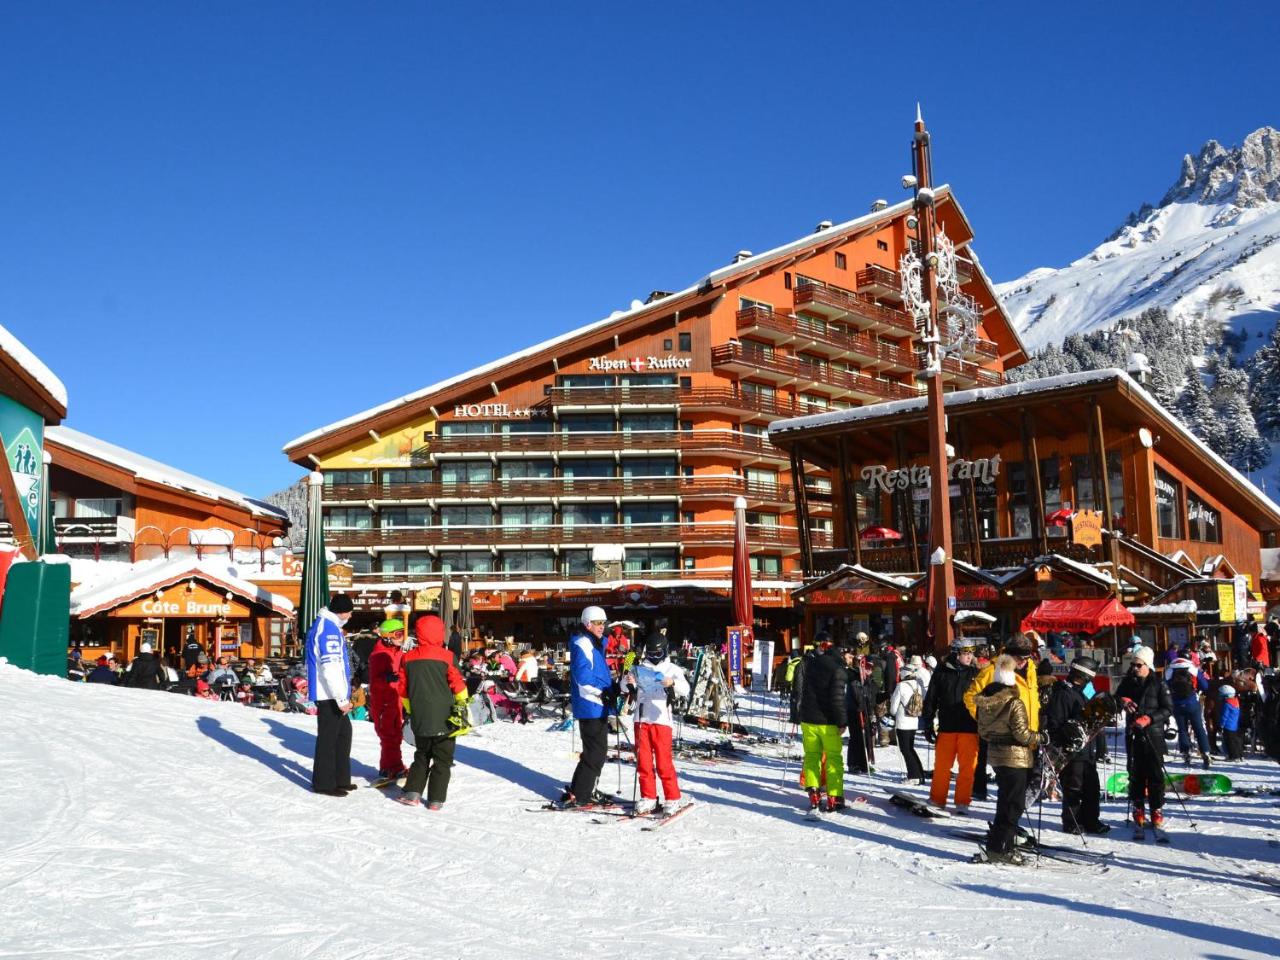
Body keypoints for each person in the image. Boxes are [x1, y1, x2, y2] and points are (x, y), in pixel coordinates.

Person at [974, 655, 1042, 865]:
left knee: (1005, 802)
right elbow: (1022, 734)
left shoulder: (985, 702)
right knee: (1013, 805)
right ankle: (1001, 848)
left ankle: (999, 845)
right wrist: (1040, 737)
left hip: (997, 755)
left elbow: (983, 731)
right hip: (1016, 758)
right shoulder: (1014, 703)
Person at [396, 615, 468, 810]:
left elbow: (403, 689)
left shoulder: (407, 658)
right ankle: (436, 800)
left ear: (418, 633)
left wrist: (411, 710)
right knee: (443, 760)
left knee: (421, 755)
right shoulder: (447, 656)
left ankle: (413, 793)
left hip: (420, 715)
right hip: (446, 717)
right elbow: (459, 686)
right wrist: (463, 705)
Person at [553, 606, 616, 809]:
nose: (602, 627)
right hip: (590, 705)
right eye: (598, 623)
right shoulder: (583, 644)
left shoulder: (595, 643)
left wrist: (611, 687)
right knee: (595, 752)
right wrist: (602, 692)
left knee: (597, 751)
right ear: (588, 624)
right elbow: (583, 679)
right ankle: (581, 793)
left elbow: (597, 672)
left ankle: (585, 788)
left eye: (603, 623)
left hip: (598, 704)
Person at [622, 636, 691, 815]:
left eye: (657, 653)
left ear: (665, 651)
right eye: (650, 653)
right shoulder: (639, 668)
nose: (653, 656)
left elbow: (686, 689)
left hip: (661, 721)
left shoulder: (671, 668)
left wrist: (672, 682)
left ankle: (672, 797)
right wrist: (627, 681)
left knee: (663, 762)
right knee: (643, 761)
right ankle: (648, 796)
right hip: (641, 719)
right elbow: (622, 686)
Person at [965, 636, 1038, 802]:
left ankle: (1010, 822)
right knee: (1010, 786)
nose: (1024, 662)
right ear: (1009, 655)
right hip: (1003, 734)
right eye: (1020, 658)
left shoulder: (1031, 669)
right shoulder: (992, 670)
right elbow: (971, 697)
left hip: (1026, 732)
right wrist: (986, 719)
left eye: (1028, 657)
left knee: (1020, 785)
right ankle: (1005, 822)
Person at [1043, 655, 1109, 835]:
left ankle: (1091, 821)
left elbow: (1084, 718)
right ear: (1083, 675)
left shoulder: (1079, 692)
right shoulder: (1063, 693)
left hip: (1086, 748)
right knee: (1074, 787)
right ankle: (1071, 821)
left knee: (1092, 787)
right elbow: (1055, 724)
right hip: (1071, 751)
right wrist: (1071, 729)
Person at [1115, 645, 1173, 838]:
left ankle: (1156, 810)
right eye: (1133, 664)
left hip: (1154, 735)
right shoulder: (1128, 682)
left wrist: (1150, 719)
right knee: (1135, 774)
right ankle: (1138, 809)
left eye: (1138, 665)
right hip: (1133, 734)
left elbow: (1168, 709)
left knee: (1155, 776)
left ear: (1148, 665)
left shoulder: (1159, 684)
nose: (1135, 668)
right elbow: (1114, 700)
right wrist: (1121, 701)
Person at [305, 594, 356, 797]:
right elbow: (331, 666)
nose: (351, 615)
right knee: (329, 738)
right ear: (342, 611)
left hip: (332, 693)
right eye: (350, 611)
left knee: (343, 734)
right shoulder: (328, 630)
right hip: (329, 694)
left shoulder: (328, 626)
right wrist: (341, 698)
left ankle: (340, 778)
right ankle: (324, 783)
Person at [922, 638, 980, 812]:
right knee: (941, 767)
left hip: (969, 727)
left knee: (968, 767)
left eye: (971, 653)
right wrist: (928, 722)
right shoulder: (941, 672)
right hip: (947, 727)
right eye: (966, 653)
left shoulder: (975, 674)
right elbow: (931, 698)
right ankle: (937, 799)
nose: (970, 657)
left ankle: (962, 800)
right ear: (956, 653)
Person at [798, 638, 848, 812]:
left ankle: (813, 792)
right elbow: (837, 700)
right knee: (834, 758)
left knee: (812, 756)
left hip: (807, 719)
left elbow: (801, 689)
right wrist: (842, 721)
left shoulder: (810, 665)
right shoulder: (838, 670)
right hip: (827, 722)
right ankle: (834, 796)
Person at [369, 618, 409, 780]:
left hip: (396, 699)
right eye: (398, 634)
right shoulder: (379, 655)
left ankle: (392, 766)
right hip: (383, 701)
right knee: (388, 735)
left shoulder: (398, 652)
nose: (402, 638)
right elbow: (374, 681)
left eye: (403, 634)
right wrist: (386, 679)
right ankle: (390, 767)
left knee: (397, 734)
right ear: (387, 636)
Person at [1165, 656, 1211, 768]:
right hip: (1192, 703)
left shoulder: (1169, 671)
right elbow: (1205, 686)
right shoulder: (1193, 669)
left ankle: (1186, 753)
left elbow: (1164, 687)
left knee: (1182, 729)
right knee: (1199, 728)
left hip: (1177, 704)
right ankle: (1205, 752)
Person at [889, 657, 926, 784]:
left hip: (903, 721)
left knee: (905, 749)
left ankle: (914, 776)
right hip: (914, 721)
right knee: (910, 748)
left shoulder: (901, 686)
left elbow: (893, 707)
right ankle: (919, 774)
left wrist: (892, 713)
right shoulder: (918, 685)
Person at [845, 653, 878, 776]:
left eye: (871, 668)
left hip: (864, 710)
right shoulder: (854, 676)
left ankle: (863, 763)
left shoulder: (868, 678)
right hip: (854, 711)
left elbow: (870, 695)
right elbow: (857, 694)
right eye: (867, 667)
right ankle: (853, 764)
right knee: (856, 738)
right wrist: (862, 704)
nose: (869, 670)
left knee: (865, 738)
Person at [1219, 683, 1243, 760]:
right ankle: (1239, 755)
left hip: (1228, 726)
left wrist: (1221, 725)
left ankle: (1233, 756)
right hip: (1234, 726)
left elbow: (1224, 716)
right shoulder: (1235, 702)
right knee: (1235, 741)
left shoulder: (1227, 705)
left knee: (1230, 742)